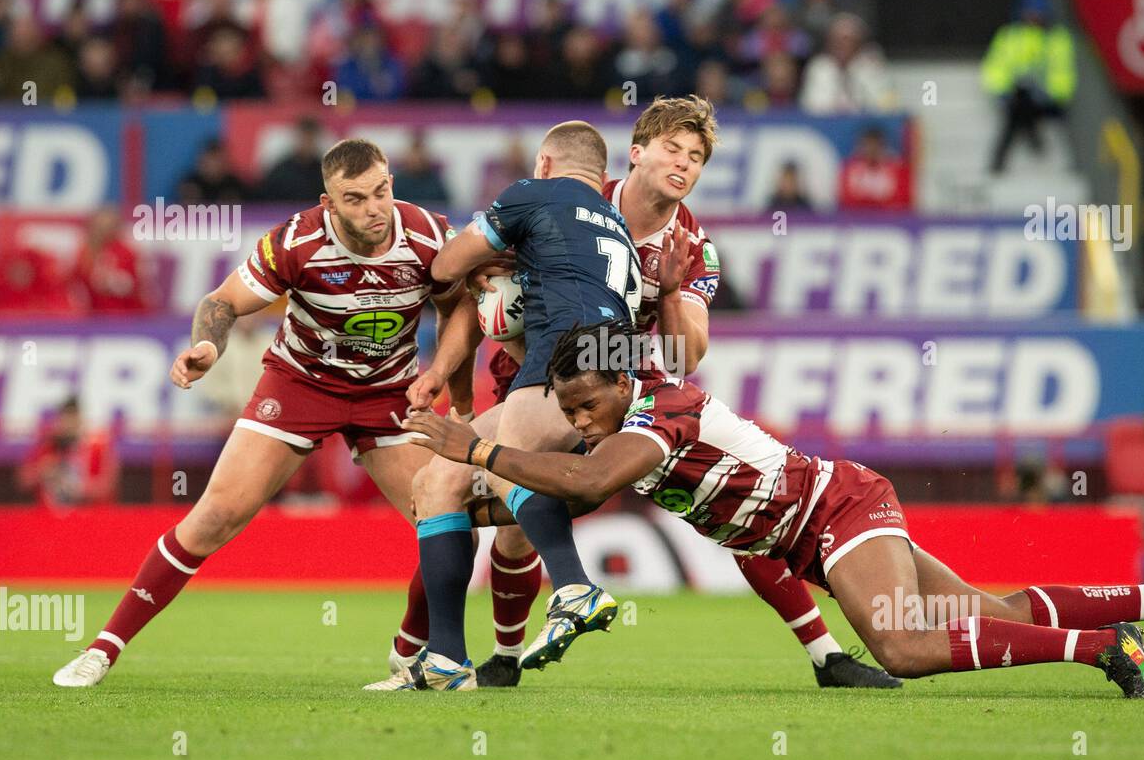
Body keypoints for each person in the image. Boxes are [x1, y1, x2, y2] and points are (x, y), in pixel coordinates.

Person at [404, 320, 1144, 697]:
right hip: (823, 528)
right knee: (985, 612)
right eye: (572, 411)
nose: (579, 424)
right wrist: (454, 507)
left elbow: (581, 486)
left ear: (620, 382)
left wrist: (473, 451)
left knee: (905, 648)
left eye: (585, 407)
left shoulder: (659, 415)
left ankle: (1103, 649)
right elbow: (555, 490)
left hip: (836, 511)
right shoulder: (621, 421)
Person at [371, 97, 889, 692]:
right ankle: (498, 658)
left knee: (734, 503)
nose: (684, 165)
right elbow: (469, 287)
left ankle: (824, 654)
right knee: (475, 505)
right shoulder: (579, 197)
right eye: (673, 149)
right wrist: (467, 342)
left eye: (696, 158)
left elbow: (685, 356)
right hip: (537, 373)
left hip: (631, 384)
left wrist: (665, 297)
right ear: (636, 152)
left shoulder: (692, 246)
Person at [52, 138, 480, 688]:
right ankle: (103, 649)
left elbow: (459, 309)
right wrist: (208, 348)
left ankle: (409, 649)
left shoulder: (427, 234)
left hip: (389, 393)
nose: (375, 208)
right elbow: (221, 303)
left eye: (382, 191)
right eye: (355, 199)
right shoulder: (296, 242)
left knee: (453, 528)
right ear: (329, 204)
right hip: (300, 385)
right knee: (214, 518)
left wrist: (444, 376)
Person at [393, 121, 641, 691]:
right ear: (602, 178)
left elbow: (445, 267)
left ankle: (575, 585)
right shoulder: (615, 223)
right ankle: (446, 661)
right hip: (615, 362)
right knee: (439, 481)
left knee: (503, 464)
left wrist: (487, 258)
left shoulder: (532, 194)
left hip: (566, 353)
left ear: (545, 164)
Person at [982, 0, 1075, 174]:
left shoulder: (1057, 38)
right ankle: (1034, 138)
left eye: (1037, 12)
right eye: (1030, 12)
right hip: (1019, 98)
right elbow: (995, 67)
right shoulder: (1009, 35)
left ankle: (999, 160)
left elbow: (1063, 72)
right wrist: (1002, 91)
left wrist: (1050, 93)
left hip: (1047, 100)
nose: (1033, 17)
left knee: (1020, 109)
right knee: (1020, 105)